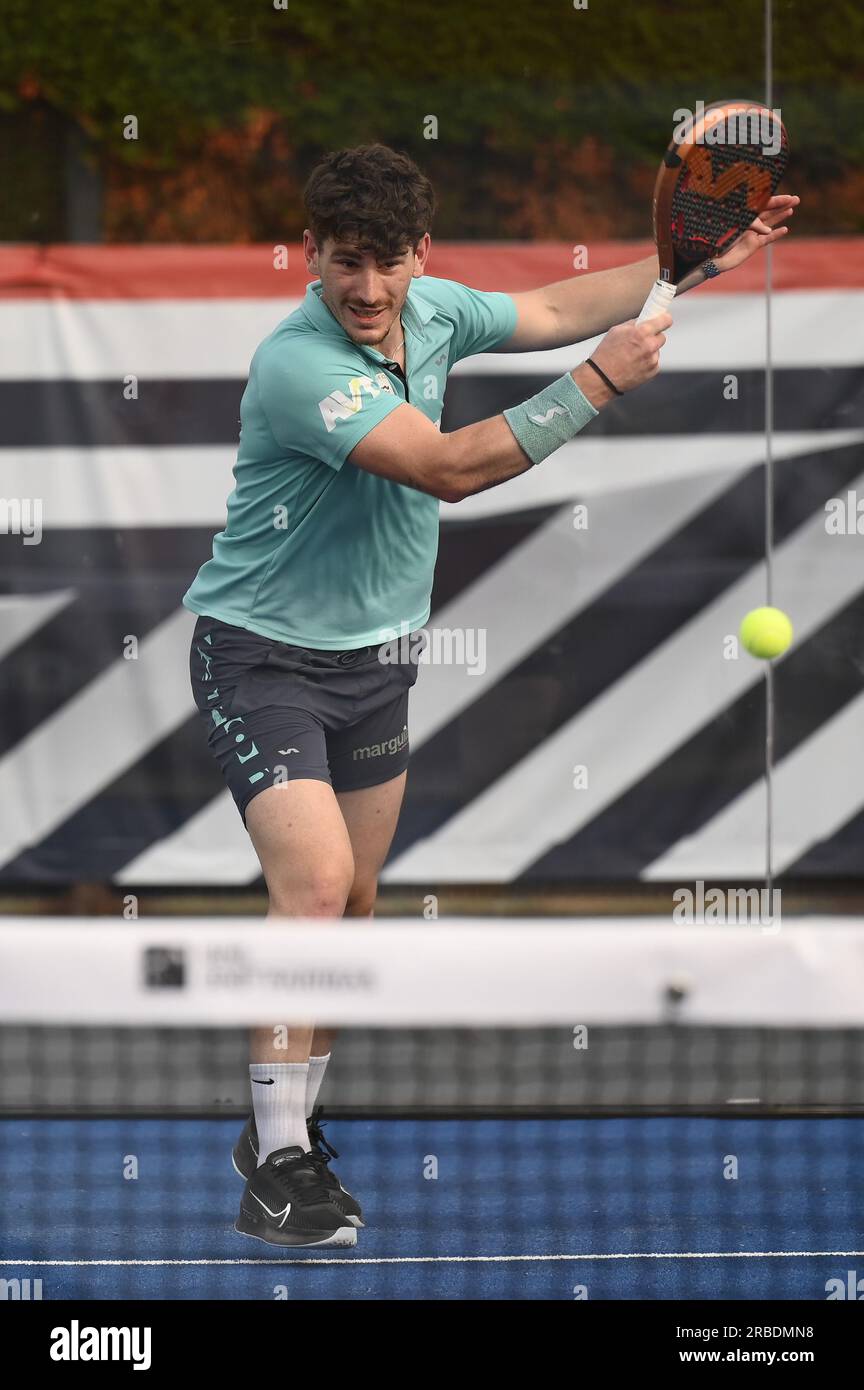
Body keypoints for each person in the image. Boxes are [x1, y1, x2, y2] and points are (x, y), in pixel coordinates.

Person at [184, 143, 798, 1247]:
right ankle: (276, 1164)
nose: (366, 288)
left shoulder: (437, 312)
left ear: (423, 256)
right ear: (313, 255)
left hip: (376, 662)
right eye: (344, 263)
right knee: (316, 889)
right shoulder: (299, 364)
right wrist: (600, 382)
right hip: (261, 657)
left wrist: (690, 259)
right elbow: (449, 467)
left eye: (387, 263)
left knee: (357, 904)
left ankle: (286, 1122)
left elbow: (559, 301)